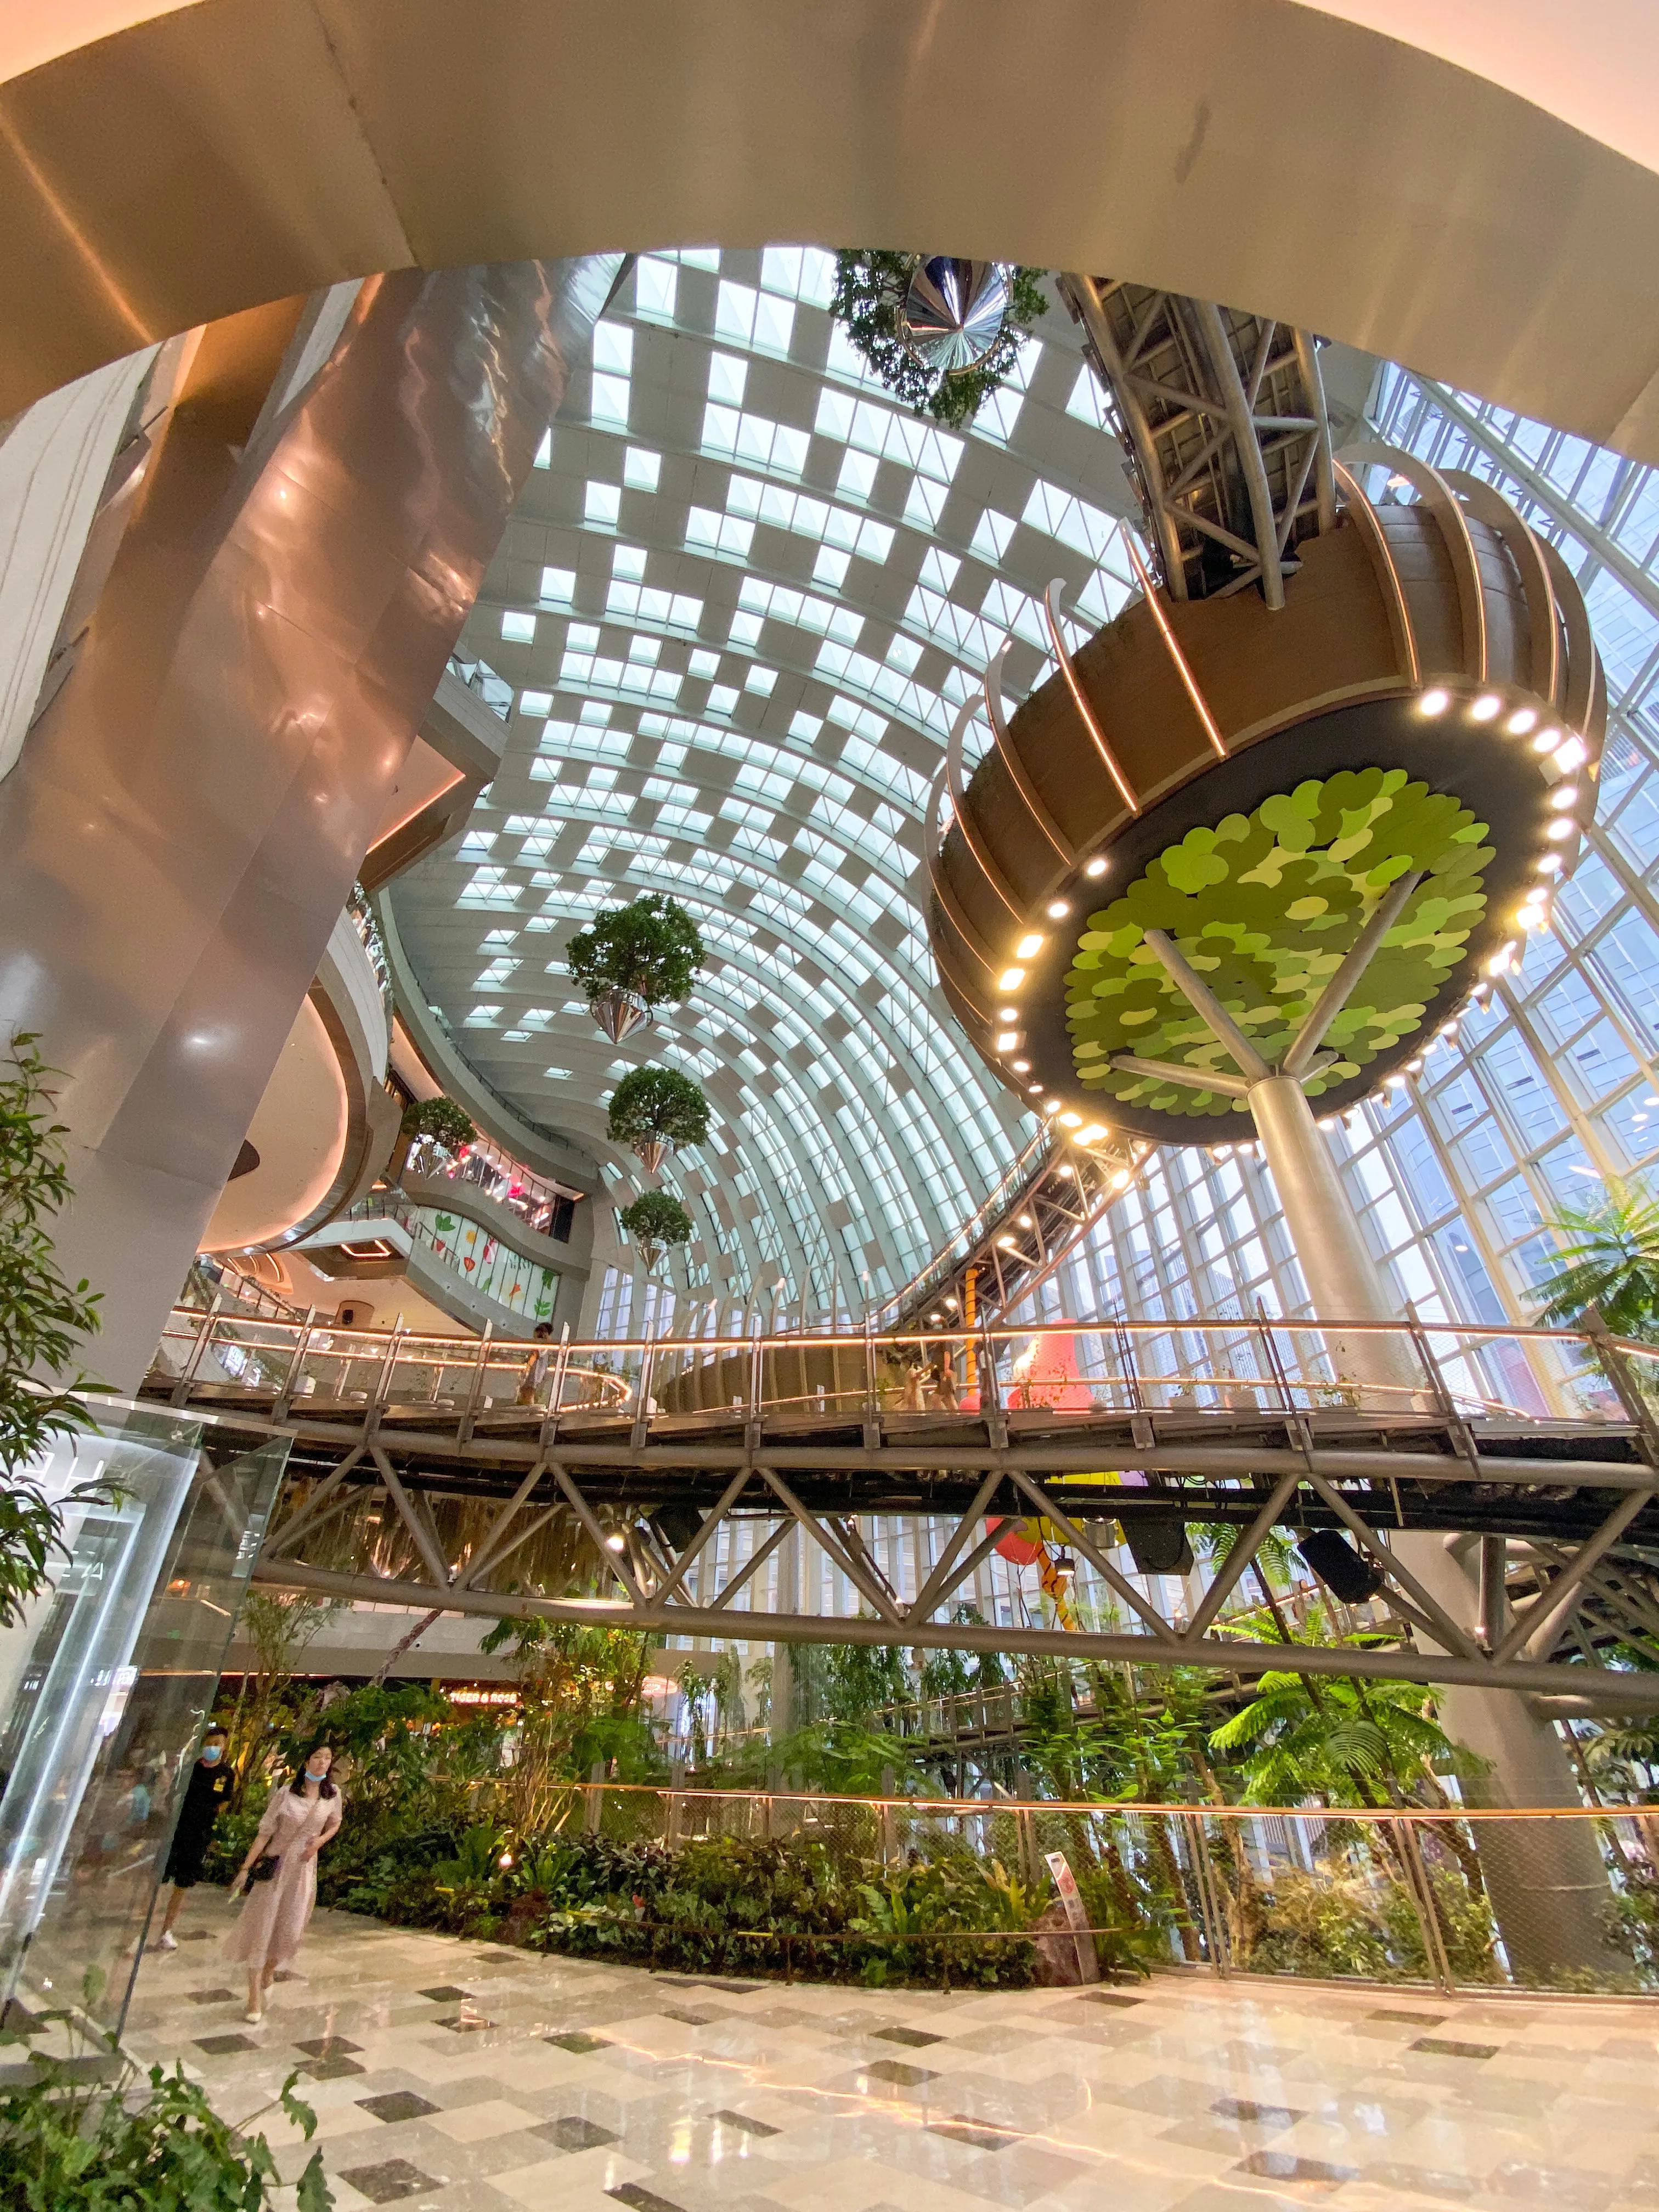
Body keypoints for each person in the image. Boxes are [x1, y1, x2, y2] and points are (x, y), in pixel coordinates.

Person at [224, 1745, 343, 2023]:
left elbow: (335, 1823)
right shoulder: (287, 1793)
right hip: (277, 1864)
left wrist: (320, 1842)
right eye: (317, 1757)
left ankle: (270, 1967)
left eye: (327, 1758)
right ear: (306, 1762)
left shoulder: (332, 1794)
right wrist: (245, 1867)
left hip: (303, 1868)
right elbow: (265, 1832)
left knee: (291, 1926)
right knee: (263, 1926)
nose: (322, 1763)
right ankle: (253, 1994)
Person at [154, 1724, 234, 1949]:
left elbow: (225, 1801)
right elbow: (173, 1795)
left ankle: (166, 1930)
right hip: (177, 1831)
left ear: (224, 1747)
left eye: (218, 1744)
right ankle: (147, 1924)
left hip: (199, 1835)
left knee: (183, 1884)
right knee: (161, 1880)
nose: (213, 1748)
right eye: (210, 1743)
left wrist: (209, 1816)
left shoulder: (226, 1774)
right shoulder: (190, 1768)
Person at [516, 1321, 556, 1405]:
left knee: (529, 1392)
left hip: (535, 1372)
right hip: (539, 1372)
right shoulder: (548, 1346)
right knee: (529, 1392)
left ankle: (529, 1410)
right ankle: (527, 1408)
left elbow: (534, 1355)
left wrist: (528, 1366)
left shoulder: (540, 1345)